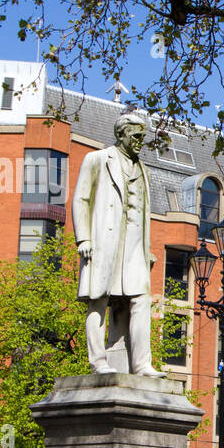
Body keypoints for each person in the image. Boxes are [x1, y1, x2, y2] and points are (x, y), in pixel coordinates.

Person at [72, 112, 165, 377]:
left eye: (143, 137)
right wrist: (84, 238)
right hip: (104, 244)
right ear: (121, 134)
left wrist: (146, 251)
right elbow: (81, 199)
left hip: (134, 249)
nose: (140, 142)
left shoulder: (144, 170)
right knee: (97, 299)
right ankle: (97, 361)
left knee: (141, 300)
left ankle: (141, 364)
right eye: (136, 136)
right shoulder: (97, 159)